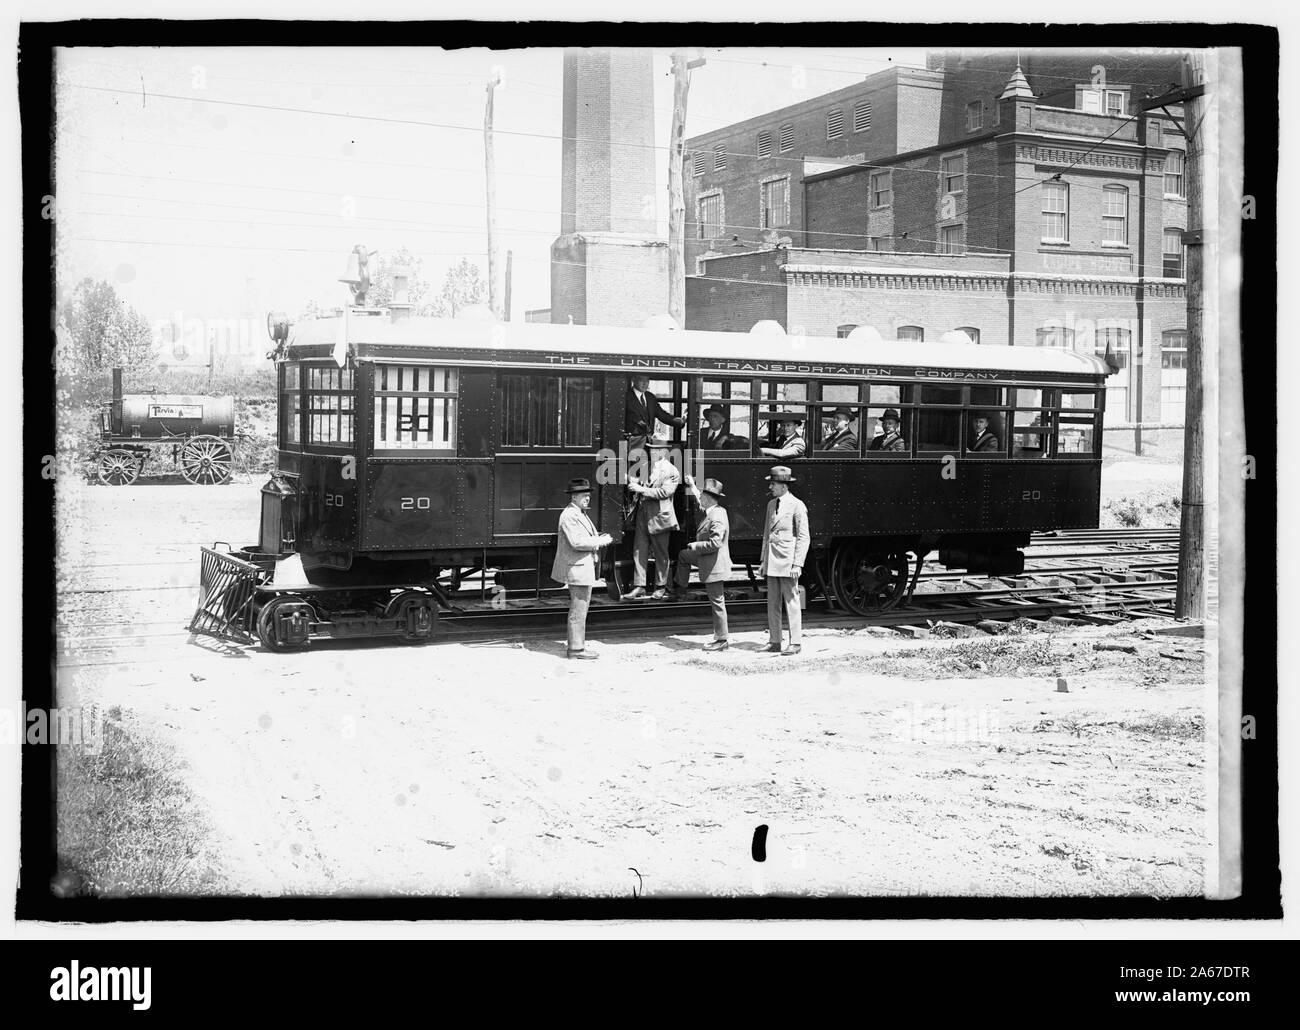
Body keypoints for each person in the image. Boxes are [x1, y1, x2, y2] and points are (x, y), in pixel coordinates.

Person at [550, 478, 613, 660]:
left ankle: (577, 647)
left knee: (581, 608)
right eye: (584, 496)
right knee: (579, 610)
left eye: (588, 495)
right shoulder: (570, 515)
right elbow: (576, 542)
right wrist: (599, 541)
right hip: (577, 569)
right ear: (574, 497)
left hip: (581, 568)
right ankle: (576, 650)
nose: (587, 499)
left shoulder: (578, 513)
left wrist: (598, 537)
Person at [670, 476, 732, 651]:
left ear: (708, 498)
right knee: (684, 556)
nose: (699, 499)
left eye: (702, 496)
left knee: (718, 603)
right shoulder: (713, 510)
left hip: (714, 565)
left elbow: (715, 543)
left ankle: (722, 640)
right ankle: (680, 589)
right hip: (708, 561)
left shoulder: (717, 516)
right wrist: (692, 485)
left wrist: (696, 545)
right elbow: (700, 499)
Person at [758, 466, 810, 656]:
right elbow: (766, 534)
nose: (770, 486)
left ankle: (795, 642)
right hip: (772, 561)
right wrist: (763, 560)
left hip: (788, 562)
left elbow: (804, 537)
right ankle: (774, 640)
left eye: (773, 483)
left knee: (791, 601)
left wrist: (798, 564)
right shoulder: (771, 504)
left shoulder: (797, 505)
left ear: (783, 486)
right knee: (772, 602)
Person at [624, 435, 680, 600]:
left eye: (656, 449)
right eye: (651, 449)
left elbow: (665, 492)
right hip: (643, 514)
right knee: (639, 550)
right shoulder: (646, 466)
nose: (653, 452)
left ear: (664, 451)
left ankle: (661, 587)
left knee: (661, 553)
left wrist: (641, 490)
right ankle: (639, 586)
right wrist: (631, 480)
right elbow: (641, 482)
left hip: (660, 517)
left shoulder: (671, 471)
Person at [625, 374, 685, 451]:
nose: (645, 383)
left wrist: (681, 421)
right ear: (634, 380)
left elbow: (662, 415)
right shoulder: (626, 397)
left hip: (649, 444)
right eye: (641, 380)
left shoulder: (650, 397)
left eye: (647, 381)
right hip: (633, 444)